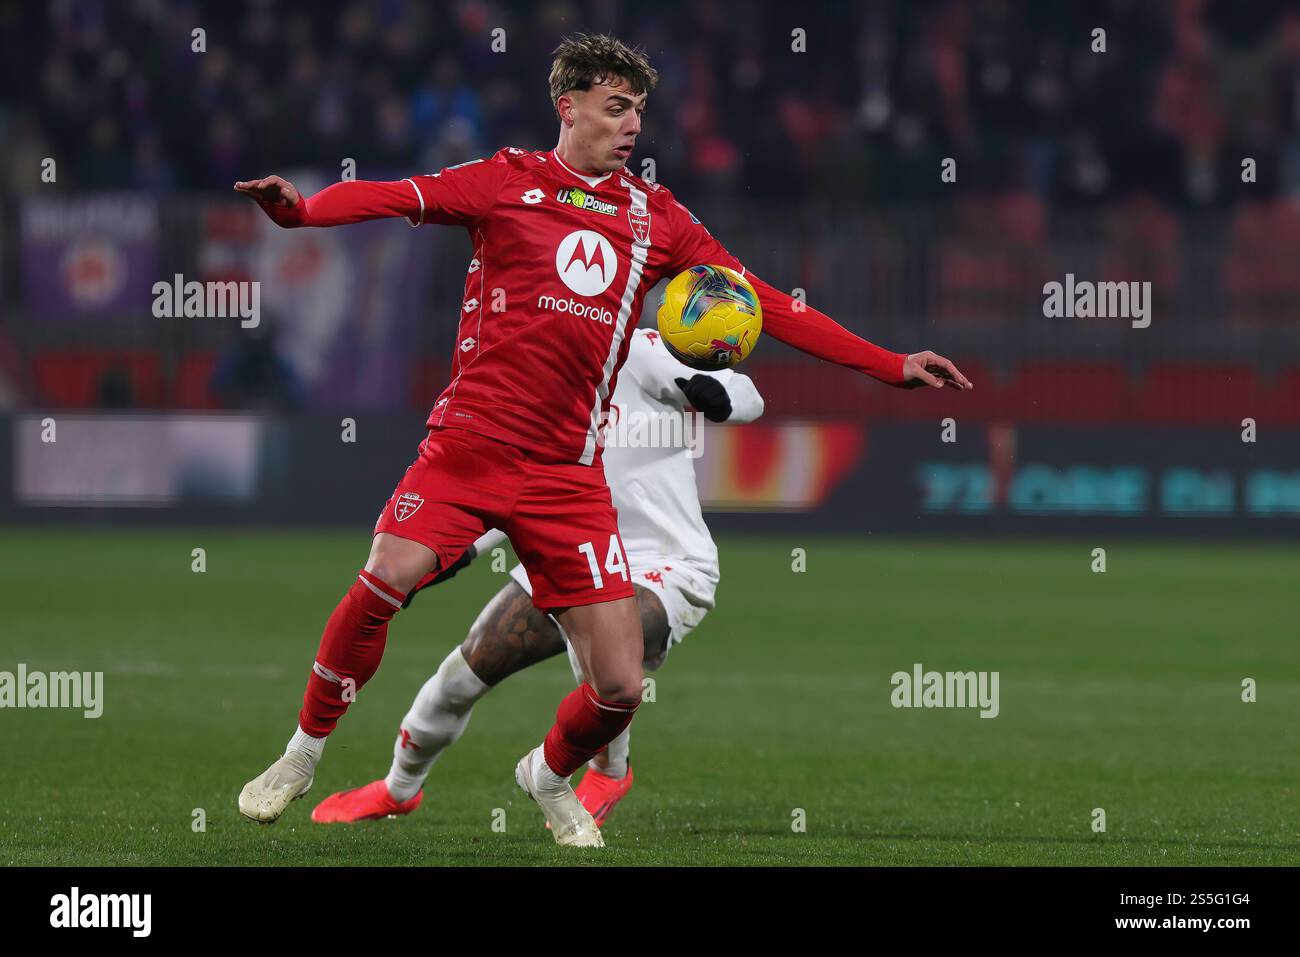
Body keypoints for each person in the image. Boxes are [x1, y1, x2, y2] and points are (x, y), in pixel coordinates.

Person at [234, 33, 970, 848]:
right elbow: (393, 197)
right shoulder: (506, 181)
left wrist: (890, 364)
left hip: (565, 474)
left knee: (619, 684)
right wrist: (301, 210)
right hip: (470, 446)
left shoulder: (654, 217)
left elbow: (769, 302)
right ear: (569, 106)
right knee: (383, 580)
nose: (630, 127)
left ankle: (547, 774)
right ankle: (303, 752)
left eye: (638, 112)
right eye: (616, 108)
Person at [310, 327, 762, 827]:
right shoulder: (530, 383)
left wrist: (718, 397)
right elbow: (514, 491)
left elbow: (748, 394)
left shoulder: (638, 348)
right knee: (460, 677)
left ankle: (608, 772)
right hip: (567, 552)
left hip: (669, 564)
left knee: (600, 644)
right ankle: (398, 789)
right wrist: (461, 552)